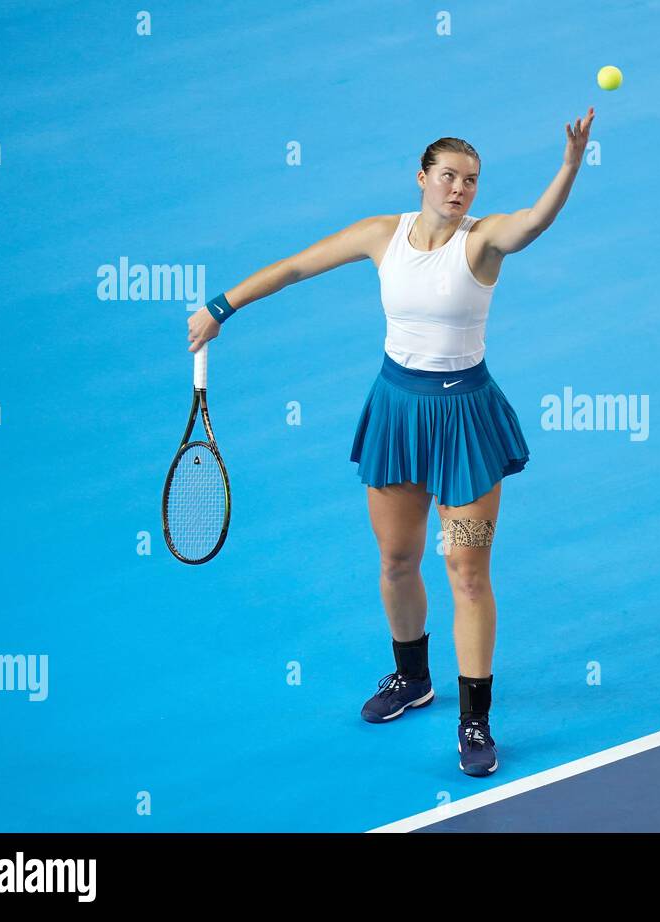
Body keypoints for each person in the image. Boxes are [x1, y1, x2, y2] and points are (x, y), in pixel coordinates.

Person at [186, 107, 596, 777]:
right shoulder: (383, 234)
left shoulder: (484, 240)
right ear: (422, 178)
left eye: (471, 180)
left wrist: (570, 166)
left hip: (464, 423)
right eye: (448, 176)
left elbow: (534, 222)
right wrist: (220, 308)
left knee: (466, 572)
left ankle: (474, 720)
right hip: (397, 414)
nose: (460, 189)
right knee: (398, 560)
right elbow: (294, 267)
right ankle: (412, 678)